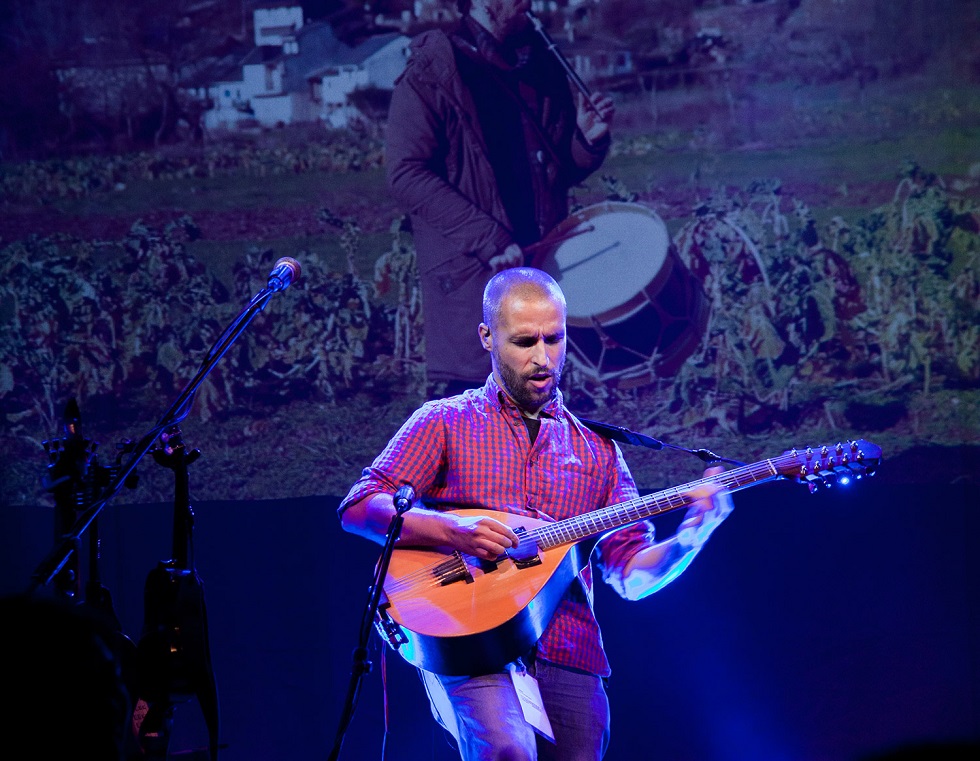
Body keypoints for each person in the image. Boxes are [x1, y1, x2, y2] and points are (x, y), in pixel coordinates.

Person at [338, 267, 734, 760]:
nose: (543, 358)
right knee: (508, 750)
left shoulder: (599, 452)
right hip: (468, 638)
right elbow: (360, 506)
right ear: (487, 337)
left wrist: (693, 536)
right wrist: (453, 529)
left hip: (569, 647)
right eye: (525, 341)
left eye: (555, 339)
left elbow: (632, 576)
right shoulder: (444, 421)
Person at [385, 0, 616, 396]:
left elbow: (557, 171)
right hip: (473, 270)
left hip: (540, 263)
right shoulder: (433, 73)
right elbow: (406, 174)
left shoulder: (538, 65)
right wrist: (490, 240)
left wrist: (586, 140)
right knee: (477, 410)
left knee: (540, 403)